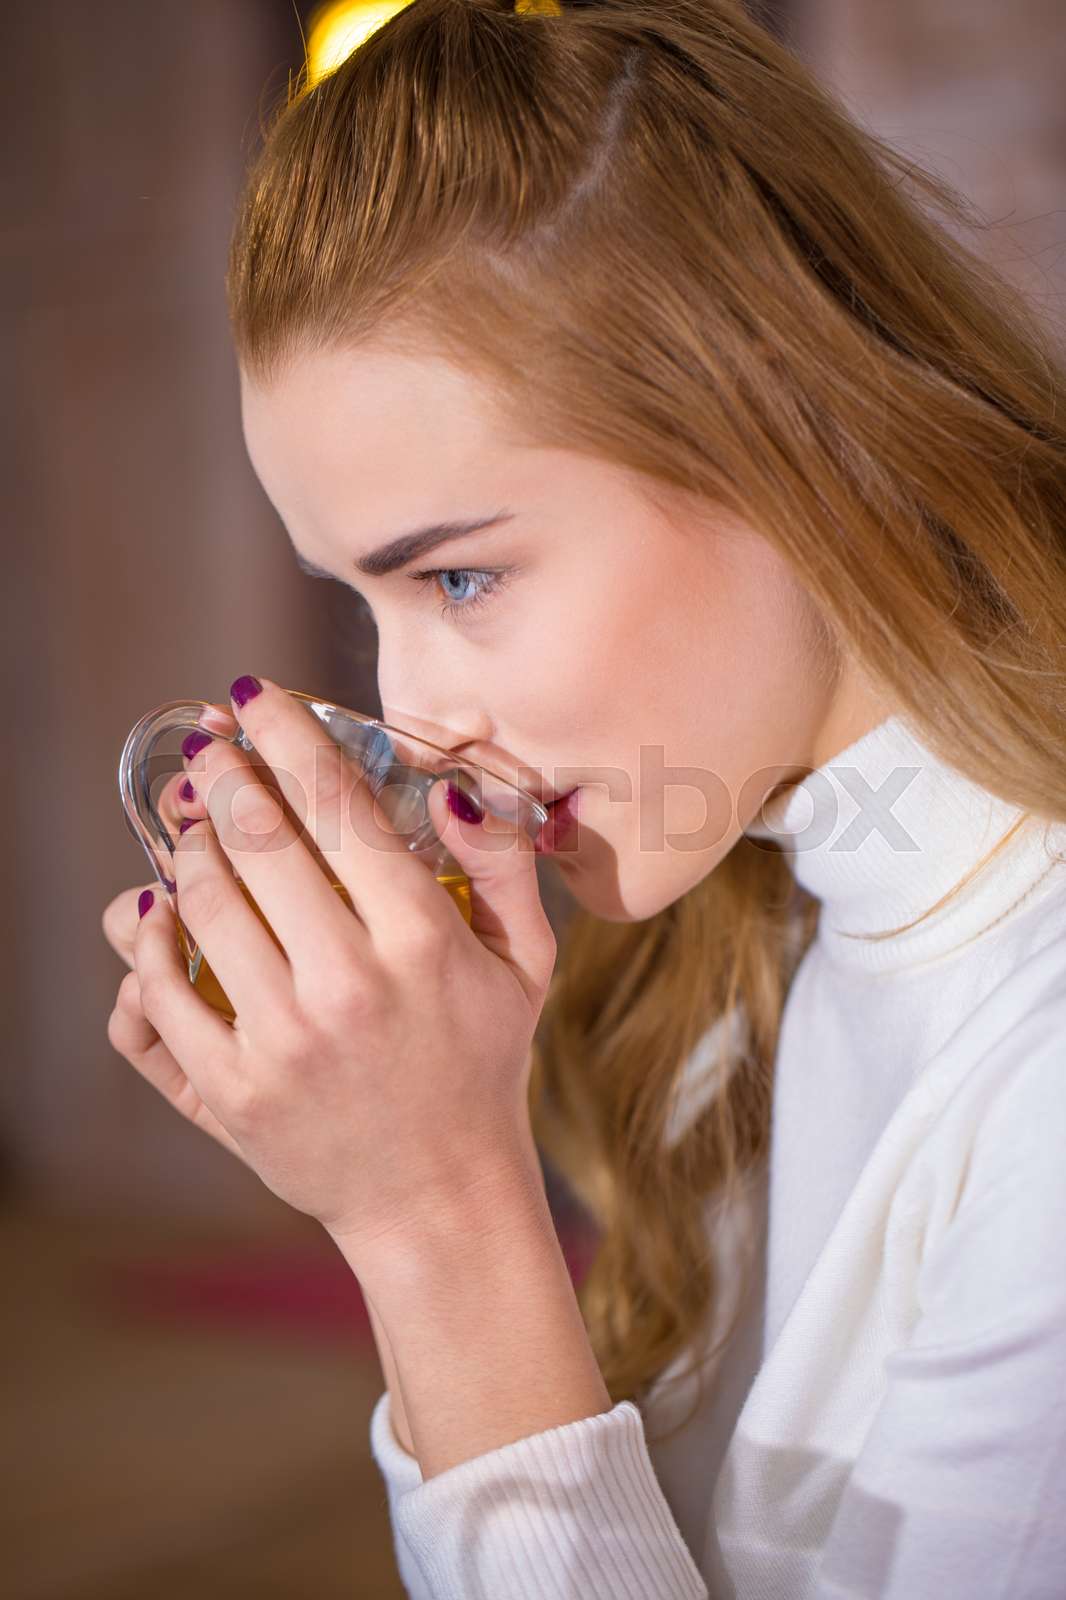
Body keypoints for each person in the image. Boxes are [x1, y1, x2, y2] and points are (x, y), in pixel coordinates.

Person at [101, 1, 1066, 1595]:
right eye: (365, 602)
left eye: (463, 575)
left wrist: (432, 1215)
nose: (414, 714)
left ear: (786, 430)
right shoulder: (746, 932)